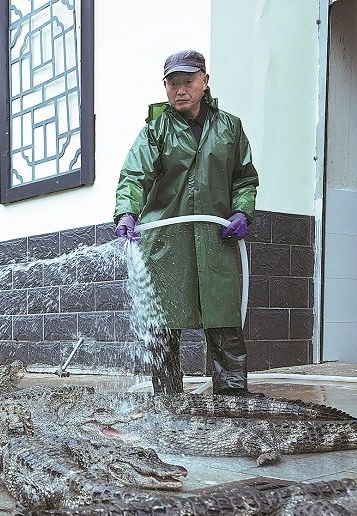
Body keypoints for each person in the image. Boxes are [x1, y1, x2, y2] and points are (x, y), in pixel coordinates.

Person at [113, 49, 261, 396]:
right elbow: (134, 176)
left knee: (225, 324)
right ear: (165, 87)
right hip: (167, 244)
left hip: (216, 240)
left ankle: (233, 400)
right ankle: (168, 405)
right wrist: (126, 213)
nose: (180, 89)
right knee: (164, 329)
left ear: (204, 82)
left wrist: (242, 210)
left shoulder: (229, 127)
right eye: (172, 83)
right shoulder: (155, 130)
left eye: (188, 81)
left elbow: (244, 178)